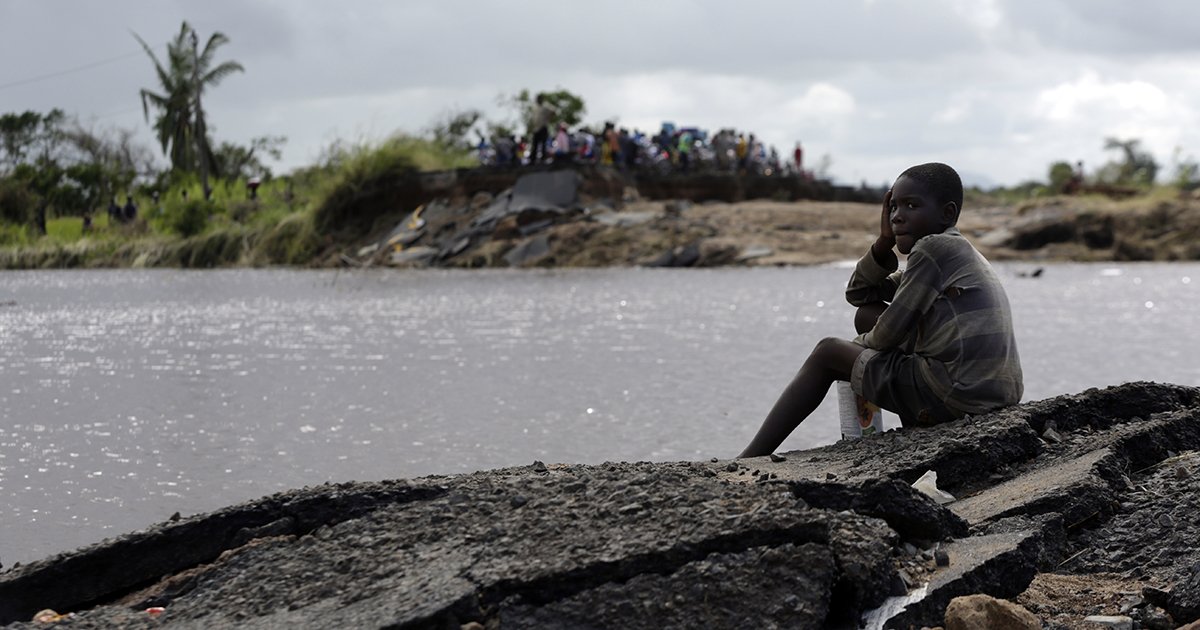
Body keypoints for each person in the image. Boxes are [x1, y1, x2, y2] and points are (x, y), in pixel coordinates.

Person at [738, 162, 1023, 457]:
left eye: (911, 205)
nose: (898, 216)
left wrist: (852, 353)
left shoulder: (933, 250)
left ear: (947, 214)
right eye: (894, 208)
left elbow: (887, 334)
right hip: (990, 394)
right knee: (865, 315)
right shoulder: (952, 252)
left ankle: (751, 456)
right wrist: (883, 243)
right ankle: (912, 417)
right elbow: (859, 293)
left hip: (958, 395)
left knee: (827, 352)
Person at [528, 94, 555, 165]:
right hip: (536, 128)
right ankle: (532, 160)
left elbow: (553, 111)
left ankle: (543, 159)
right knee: (534, 144)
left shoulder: (546, 106)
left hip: (543, 127)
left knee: (543, 144)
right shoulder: (535, 107)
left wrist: (548, 119)